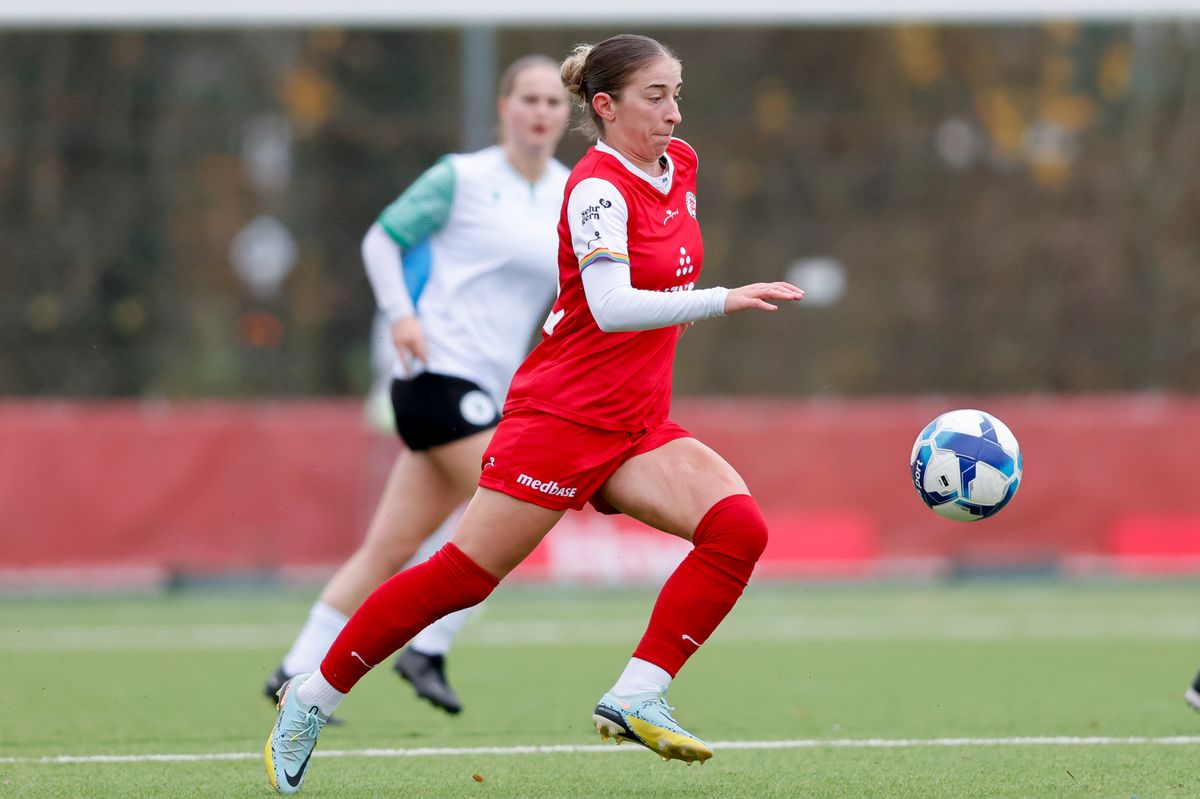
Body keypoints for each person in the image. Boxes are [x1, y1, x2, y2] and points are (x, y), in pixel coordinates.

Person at [265, 33, 804, 794]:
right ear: (606, 107)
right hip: (564, 414)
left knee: (740, 528)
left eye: (678, 94)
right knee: (459, 576)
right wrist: (723, 298)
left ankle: (637, 693)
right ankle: (310, 696)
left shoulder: (679, 166)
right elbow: (612, 308)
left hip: (637, 419)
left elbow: (655, 274)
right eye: (656, 96)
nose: (675, 113)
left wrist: (686, 305)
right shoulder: (593, 187)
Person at [262, 54, 571, 717]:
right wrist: (402, 313)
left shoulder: (570, 192)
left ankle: (293, 670)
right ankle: (429, 643)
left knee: (390, 547)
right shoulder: (462, 177)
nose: (542, 112)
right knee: (524, 502)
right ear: (504, 108)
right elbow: (381, 239)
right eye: (530, 99)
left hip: (488, 387)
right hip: (435, 374)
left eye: (553, 102)